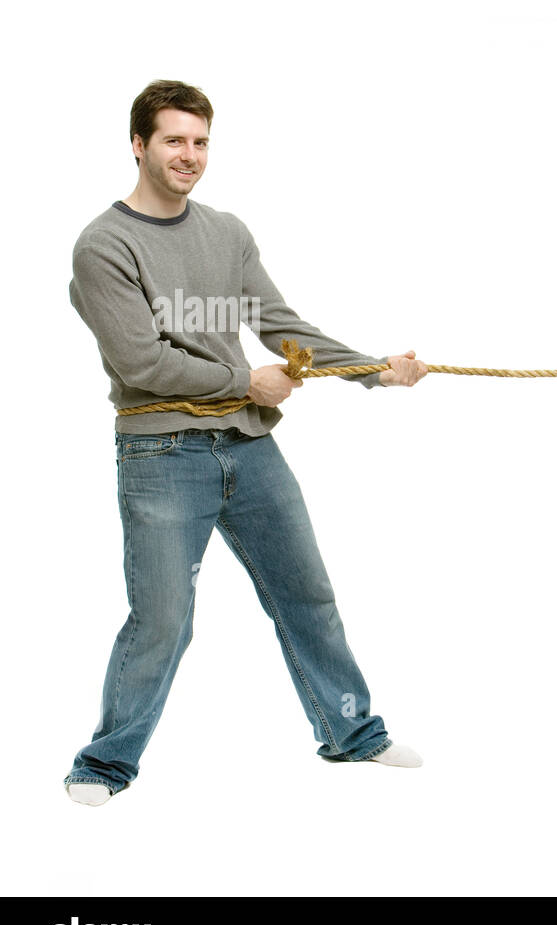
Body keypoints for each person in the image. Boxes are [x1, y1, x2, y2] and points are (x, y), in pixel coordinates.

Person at [63, 80, 431, 806]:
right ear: (138, 144)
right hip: (161, 454)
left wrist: (374, 369)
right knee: (163, 620)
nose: (189, 155)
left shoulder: (227, 233)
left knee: (307, 592)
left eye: (200, 142)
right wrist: (244, 381)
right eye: (173, 140)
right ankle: (103, 765)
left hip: (248, 446)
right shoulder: (103, 245)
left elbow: (281, 326)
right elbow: (141, 362)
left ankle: (352, 732)